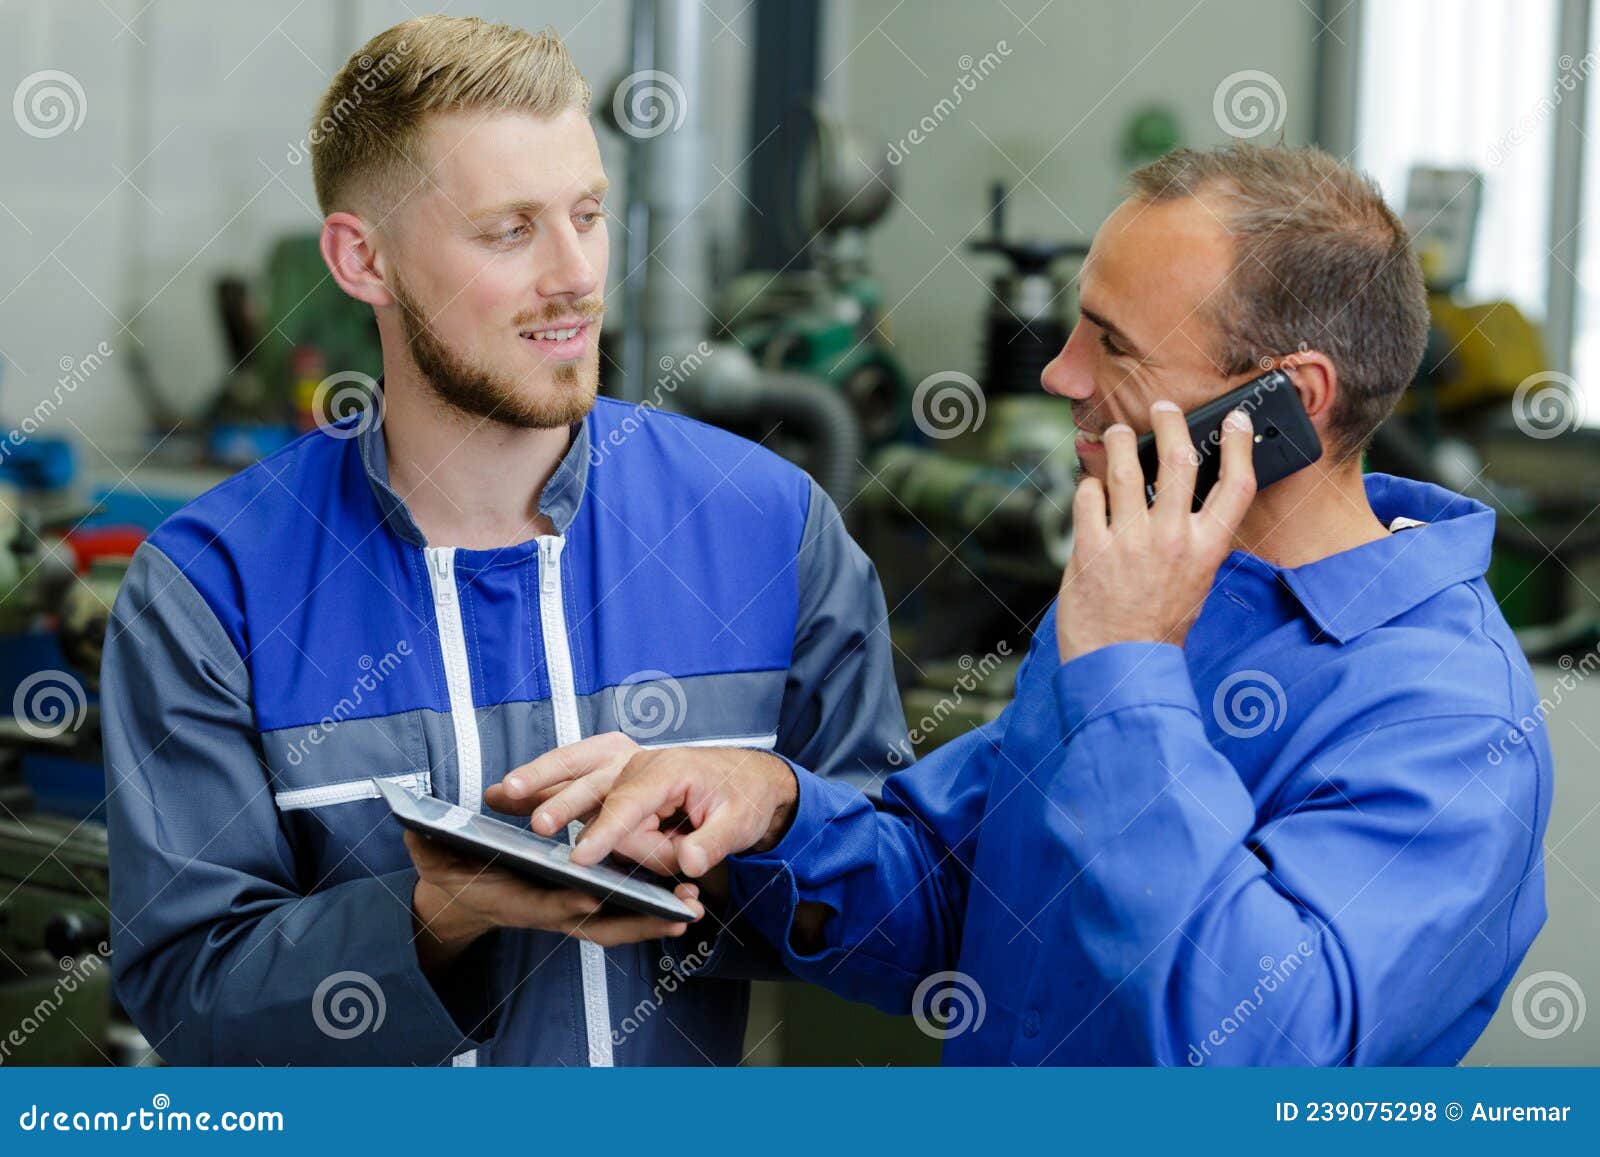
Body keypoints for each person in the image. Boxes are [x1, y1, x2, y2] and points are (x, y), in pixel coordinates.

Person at [537, 144, 1555, 1065]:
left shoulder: (1447, 714)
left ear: (1285, 400)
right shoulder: (1158, 593)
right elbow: (959, 896)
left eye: (1112, 345)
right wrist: (772, 808)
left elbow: (1260, 1051)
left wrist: (1128, 668)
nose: (1061, 371)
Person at [101, 16, 903, 1067]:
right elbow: (191, 997)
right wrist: (436, 915)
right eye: (509, 230)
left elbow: (907, 910)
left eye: (588, 214)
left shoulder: (770, 526)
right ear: (363, 258)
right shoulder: (213, 589)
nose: (575, 275)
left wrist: (776, 810)